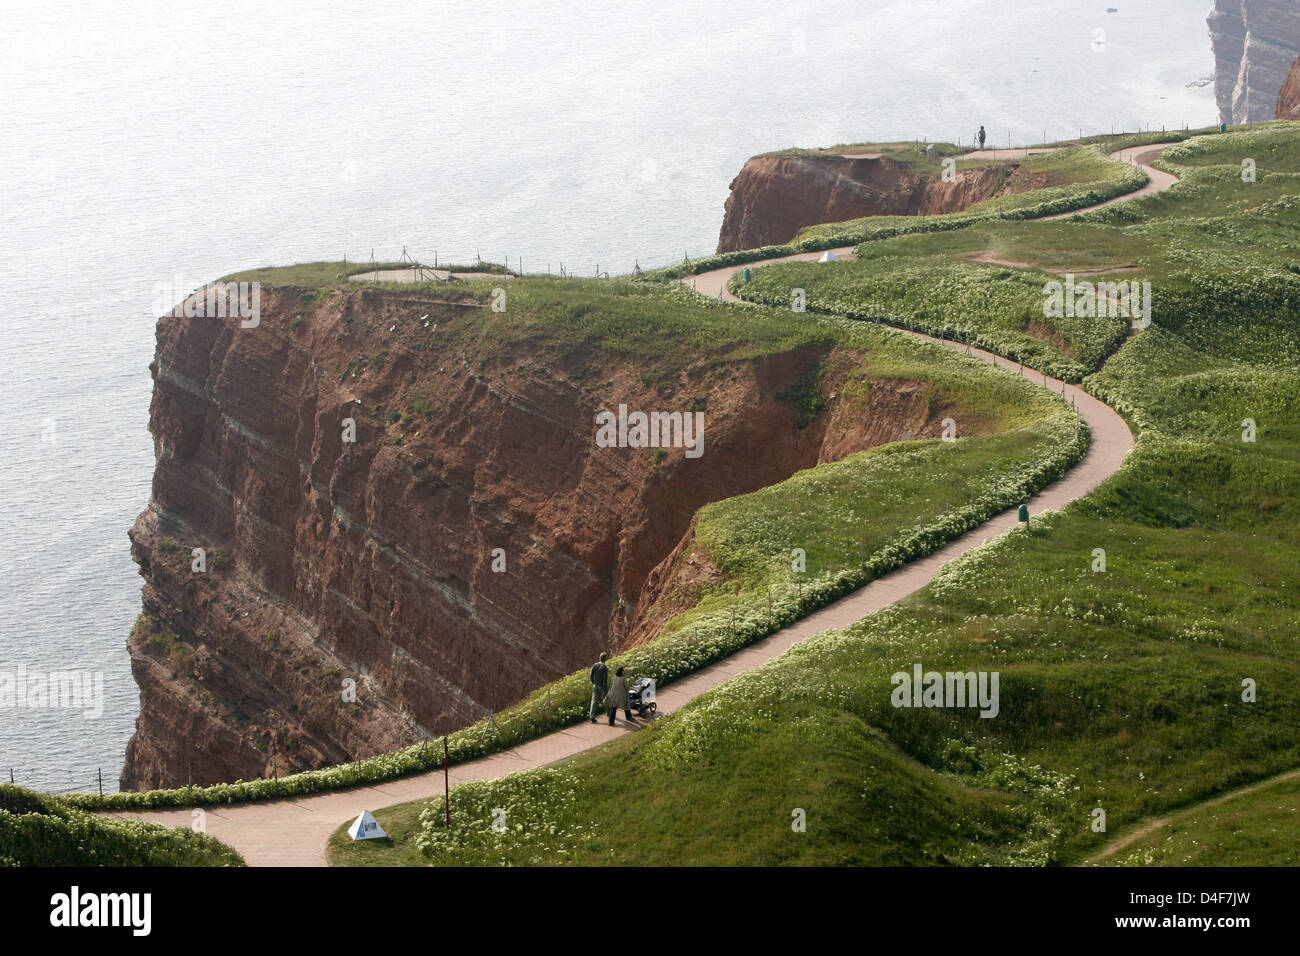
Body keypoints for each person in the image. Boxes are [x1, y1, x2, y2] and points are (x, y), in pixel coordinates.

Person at [589, 652, 609, 723]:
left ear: (599, 658)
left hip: (595, 686)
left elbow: (591, 676)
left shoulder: (595, 665)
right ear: (606, 659)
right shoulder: (604, 667)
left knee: (594, 701)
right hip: (602, 687)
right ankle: (608, 712)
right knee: (607, 699)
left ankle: (592, 716)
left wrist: (594, 683)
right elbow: (605, 680)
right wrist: (605, 690)